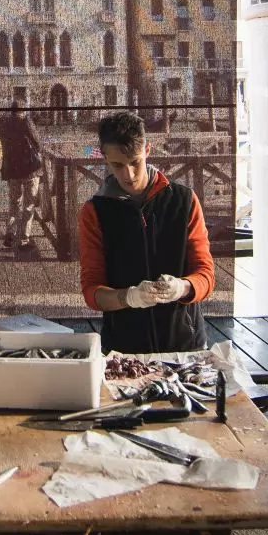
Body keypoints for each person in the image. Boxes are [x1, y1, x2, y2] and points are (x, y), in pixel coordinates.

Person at [78, 110, 214, 354]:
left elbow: (206, 275)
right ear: (105, 158)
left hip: (186, 345)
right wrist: (128, 297)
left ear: (147, 150)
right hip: (123, 350)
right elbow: (91, 291)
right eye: (117, 165)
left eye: (135, 162)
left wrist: (183, 288)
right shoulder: (93, 211)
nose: (128, 174)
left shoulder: (185, 200)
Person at [0, 100, 43, 251]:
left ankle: (10, 234)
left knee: (14, 204)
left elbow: (3, 144)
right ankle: (24, 239)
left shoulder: (5, 124)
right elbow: (37, 142)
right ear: (23, 110)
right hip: (29, 170)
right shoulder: (26, 121)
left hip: (12, 170)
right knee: (29, 206)